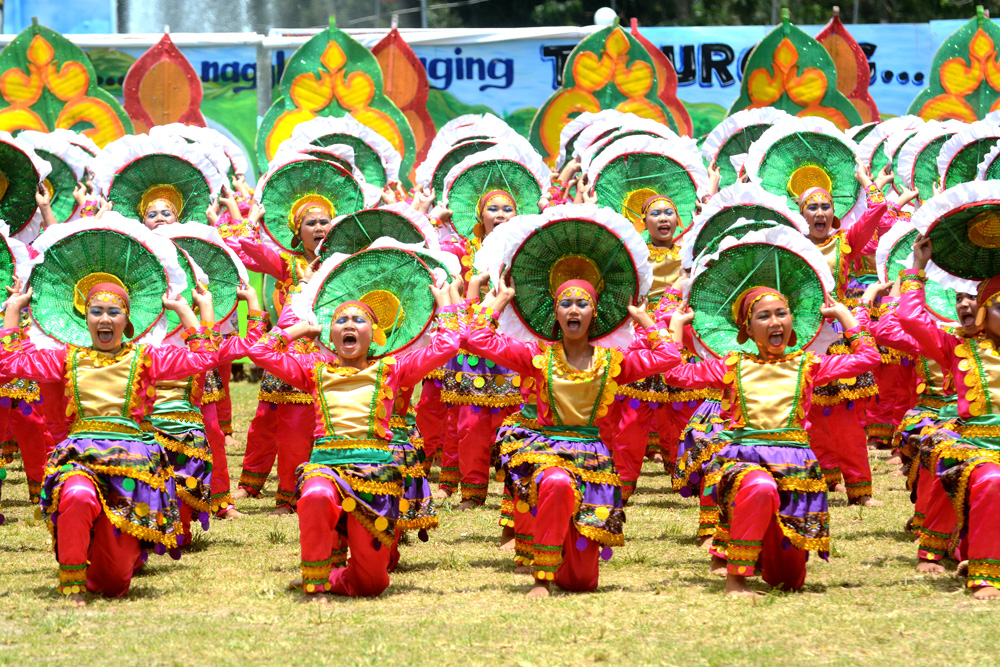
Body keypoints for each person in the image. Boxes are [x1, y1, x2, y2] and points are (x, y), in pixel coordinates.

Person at [0, 278, 218, 605]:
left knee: (113, 582)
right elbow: (9, 363)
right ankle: (71, 583)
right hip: (81, 460)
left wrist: (186, 311)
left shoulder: (145, 359)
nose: (104, 319)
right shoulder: (67, 358)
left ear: (126, 321)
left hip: (133, 472)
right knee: (76, 495)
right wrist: (13, 310)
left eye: (113, 312)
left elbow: (205, 359)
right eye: (96, 311)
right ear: (85, 318)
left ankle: (104, 549)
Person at [247, 272, 459, 599]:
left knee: (373, 585)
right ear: (330, 334)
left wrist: (445, 306)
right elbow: (260, 353)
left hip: (375, 475)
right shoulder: (314, 368)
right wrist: (297, 330)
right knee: (316, 495)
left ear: (373, 335)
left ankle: (337, 578)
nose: (349, 324)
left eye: (359, 319)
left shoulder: (391, 369)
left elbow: (447, 346)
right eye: (340, 319)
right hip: (326, 469)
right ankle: (315, 582)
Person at [467, 275, 682, 597]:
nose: (574, 309)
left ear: (593, 313)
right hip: (547, 450)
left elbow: (670, 357)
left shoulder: (612, 362)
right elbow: (474, 340)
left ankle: (567, 560)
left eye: (583, 303)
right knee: (555, 482)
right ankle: (541, 576)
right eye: (565, 303)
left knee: (582, 582)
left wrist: (642, 319)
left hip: (592, 458)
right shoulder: (539, 356)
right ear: (556, 313)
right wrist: (501, 300)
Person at [668, 286, 879, 595]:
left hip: (796, 470)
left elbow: (868, 357)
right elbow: (674, 374)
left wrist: (845, 316)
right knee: (760, 488)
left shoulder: (808, 365)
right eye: (763, 316)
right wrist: (676, 326)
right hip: (746, 464)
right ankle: (736, 579)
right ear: (748, 329)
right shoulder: (733, 365)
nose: (775, 321)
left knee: (788, 580)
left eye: (781, 313)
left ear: (792, 321)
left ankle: (759, 552)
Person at [896, 236, 1000, 599]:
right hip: (976, 445)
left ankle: (968, 550)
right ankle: (979, 572)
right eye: (999, 305)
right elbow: (909, 317)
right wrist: (917, 268)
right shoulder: (958, 347)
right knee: (985, 478)